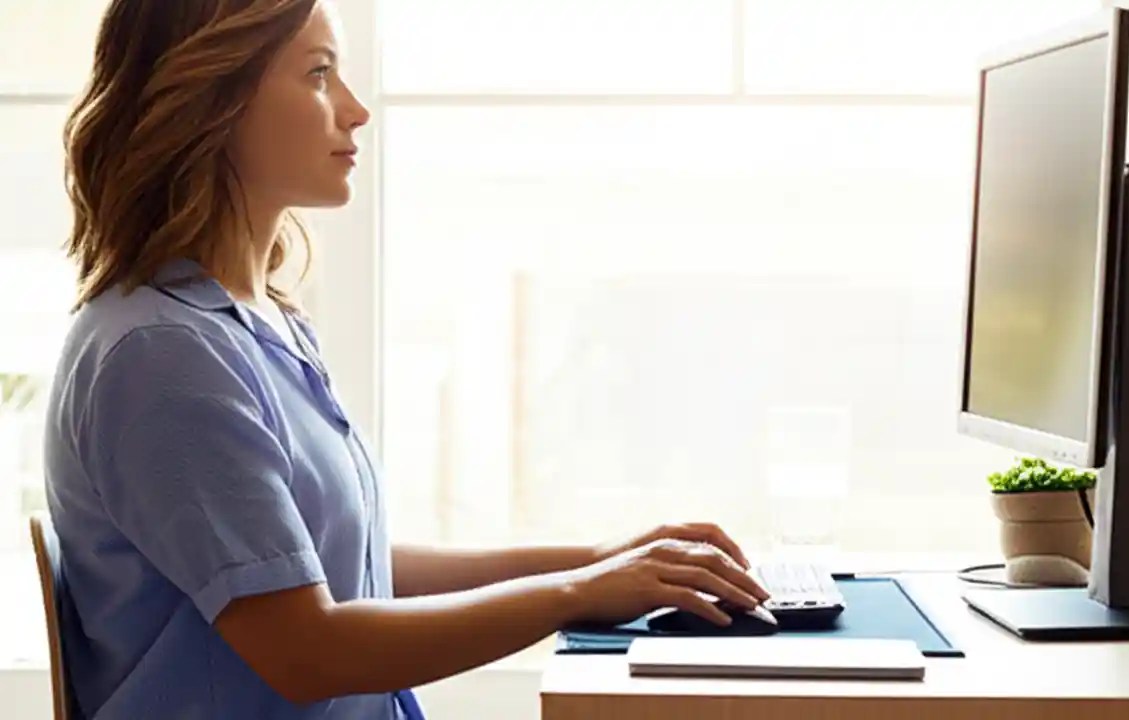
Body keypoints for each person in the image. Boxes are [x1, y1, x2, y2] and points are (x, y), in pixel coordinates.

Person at [45, 1, 769, 718]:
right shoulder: (162, 358)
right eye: (320, 74)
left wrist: (596, 561)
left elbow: (353, 569)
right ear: (213, 99)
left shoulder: (254, 323)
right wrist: (577, 595)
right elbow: (307, 651)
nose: (356, 111)